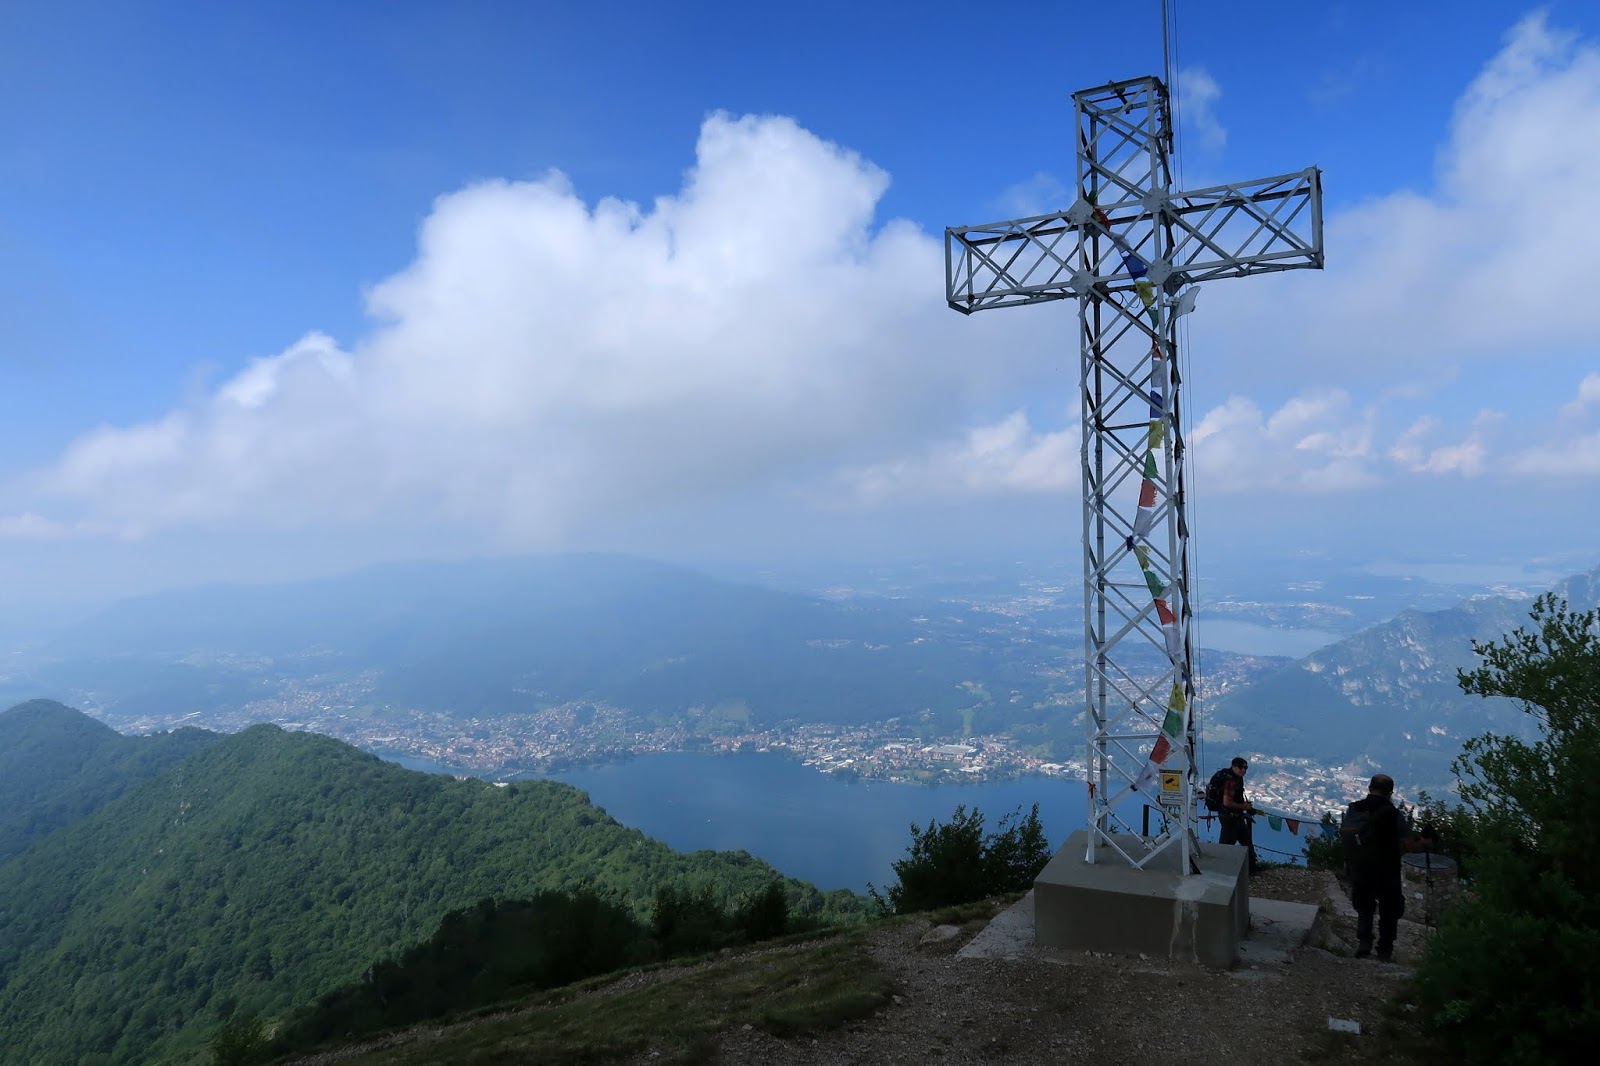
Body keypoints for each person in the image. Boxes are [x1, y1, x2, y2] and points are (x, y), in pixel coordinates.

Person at [1343, 773, 1431, 961]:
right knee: (1389, 910)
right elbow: (1411, 847)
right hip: (1386, 869)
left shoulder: (1354, 809)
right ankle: (1384, 950)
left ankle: (1364, 944)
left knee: (1365, 907)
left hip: (1361, 867)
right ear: (1391, 792)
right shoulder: (1393, 814)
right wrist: (1424, 843)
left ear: (1369, 788)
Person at [1218, 756, 1263, 873]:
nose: (1243, 770)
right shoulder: (1230, 781)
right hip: (1229, 816)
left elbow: (1236, 798)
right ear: (1233, 766)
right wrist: (1244, 807)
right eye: (1240, 767)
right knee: (1227, 845)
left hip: (1236, 816)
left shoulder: (1238, 778)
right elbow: (1227, 803)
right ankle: (1221, 870)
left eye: (1245, 768)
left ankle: (1251, 868)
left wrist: (1246, 807)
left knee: (1246, 841)